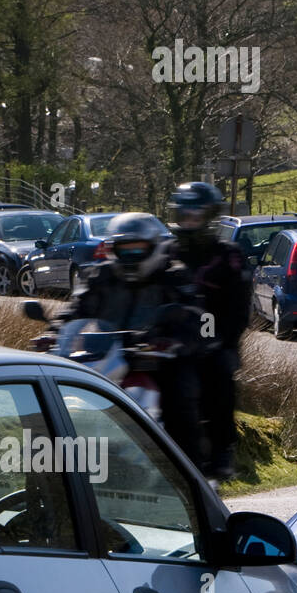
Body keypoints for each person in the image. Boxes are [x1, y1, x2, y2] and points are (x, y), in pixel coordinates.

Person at [46, 212, 204, 464]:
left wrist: (177, 340)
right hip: (106, 360)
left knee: (180, 394)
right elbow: (77, 308)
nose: (130, 256)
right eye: (124, 249)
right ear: (112, 249)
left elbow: (195, 316)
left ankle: (192, 469)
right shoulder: (101, 275)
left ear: (154, 247)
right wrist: (54, 331)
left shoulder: (174, 276)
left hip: (156, 362)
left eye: (137, 249)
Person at [166, 181, 252, 482]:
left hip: (214, 337)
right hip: (169, 340)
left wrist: (217, 339)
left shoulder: (228, 255)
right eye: (184, 214)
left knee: (218, 374)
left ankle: (222, 450)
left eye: (196, 215)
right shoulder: (167, 252)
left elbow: (239, 307)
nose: (189, 221)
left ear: (210, 217)